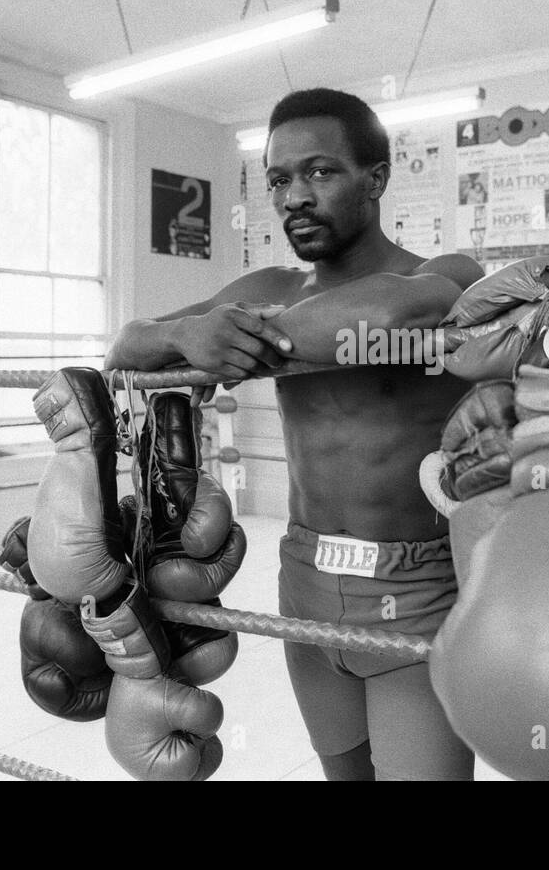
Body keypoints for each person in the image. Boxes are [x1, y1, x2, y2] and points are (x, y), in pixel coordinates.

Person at [106, 88, 484, 781]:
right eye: (279, 179)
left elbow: (388, 315)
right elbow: (128, 345)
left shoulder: (445, 275)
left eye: (319, 172)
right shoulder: (271, 283)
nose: (293, 197)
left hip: (417, 588)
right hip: (305, 578)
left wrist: (237, 336)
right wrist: (189, 333)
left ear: (375, 178)